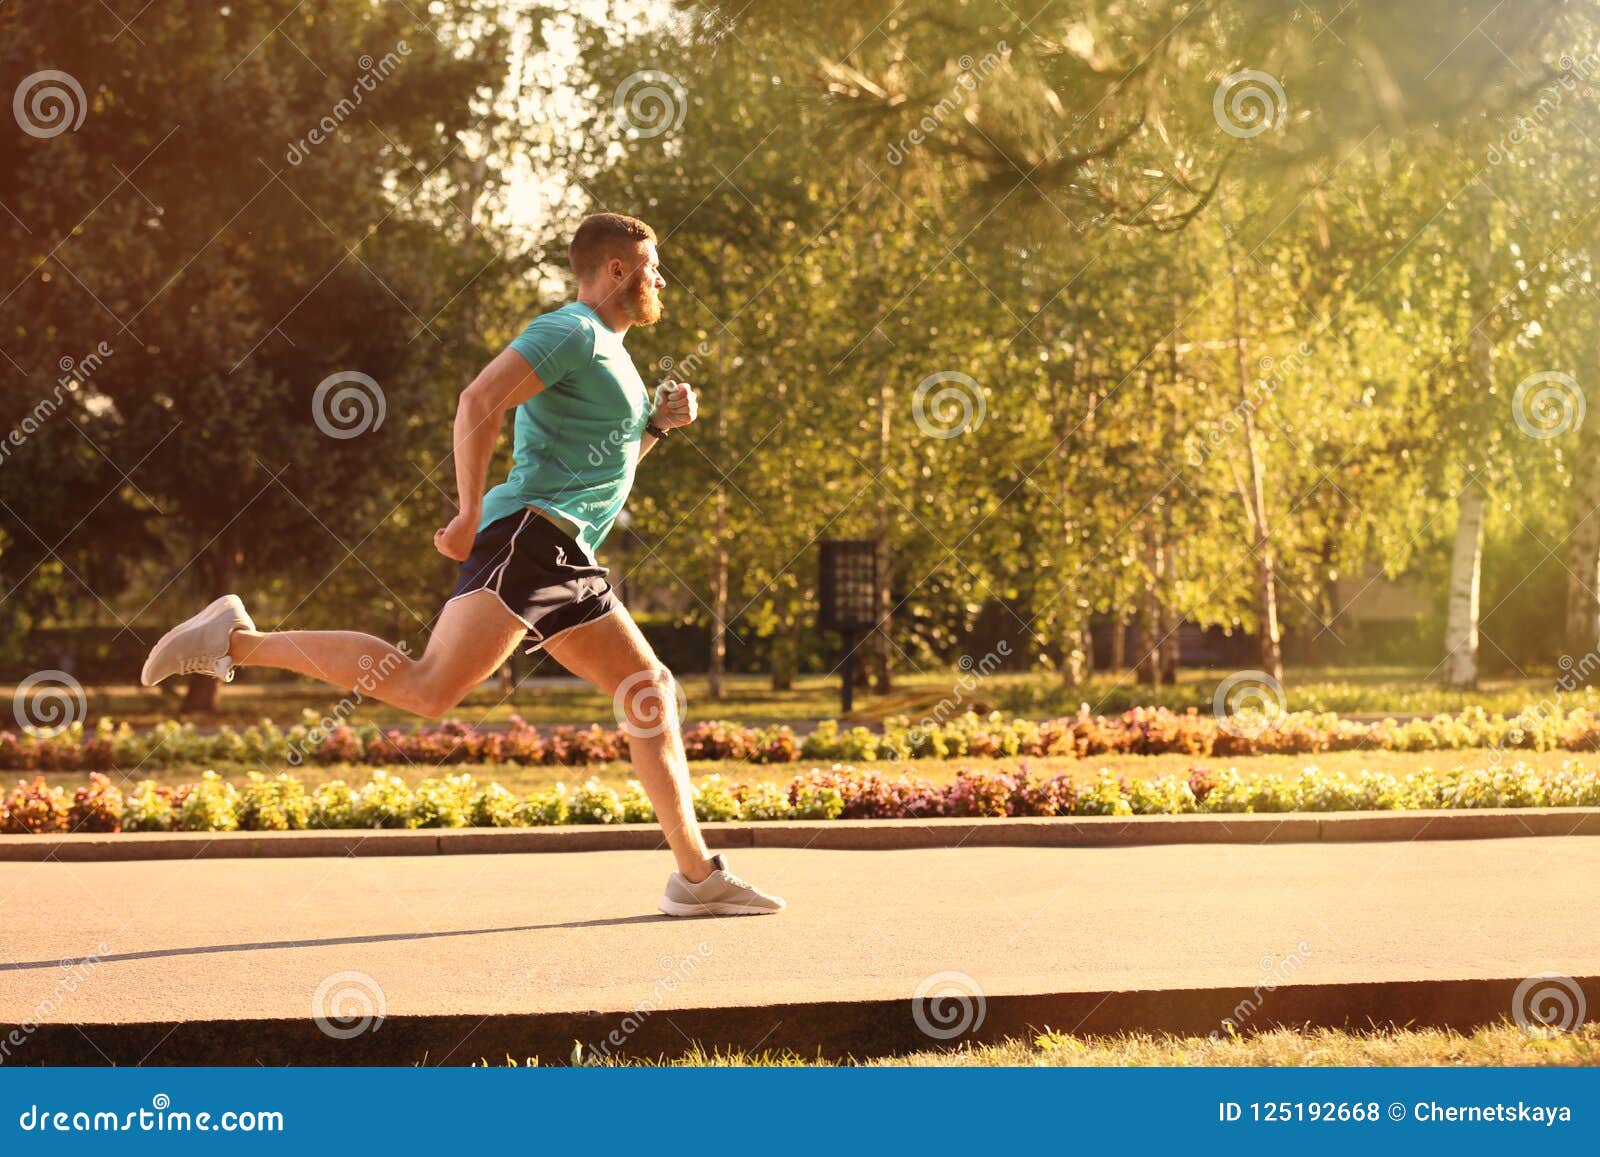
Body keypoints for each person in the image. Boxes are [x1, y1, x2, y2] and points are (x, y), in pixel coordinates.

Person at [140, 212, 784, 918]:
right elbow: (477, 400)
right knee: (566, 686)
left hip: (552, 544)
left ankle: (695, 874)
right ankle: (694, 874)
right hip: (533, 537)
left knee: (565, 688)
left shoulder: (615, 357)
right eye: (651, 266)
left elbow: (603, 470)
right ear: (617, 271)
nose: (661, 279)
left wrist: (656, 425)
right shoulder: (569, 330)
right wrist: (470, 509)